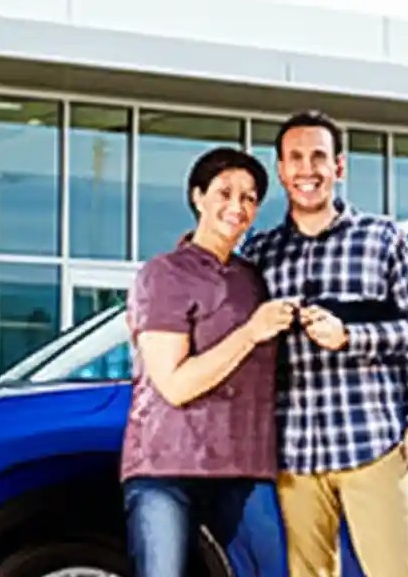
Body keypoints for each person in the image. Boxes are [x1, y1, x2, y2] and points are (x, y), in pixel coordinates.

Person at [239, 110, 408, 577]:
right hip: (295, 455)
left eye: (317, 157)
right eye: (295, 158)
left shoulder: (381, 239)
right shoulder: (260, 254)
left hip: (372, 444)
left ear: (339, 166)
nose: (306, 170)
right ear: (281, 169)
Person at [120, 147, 299, 577]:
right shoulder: (163, 275)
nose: (237, 207)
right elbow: (175, 385)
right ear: (198, 197)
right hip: (168, 466)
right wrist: (251, 332)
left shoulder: (256, 278)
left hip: (245, 465)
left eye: (250, 198)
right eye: (225, 192)